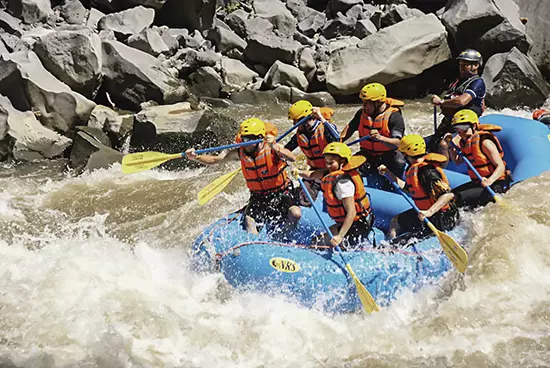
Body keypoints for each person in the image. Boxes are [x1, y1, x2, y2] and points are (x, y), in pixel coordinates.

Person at [186, 118, 301, 234]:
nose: (245, 143)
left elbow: (292, 157)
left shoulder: (272, 148)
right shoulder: (240, 153)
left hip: (280, 193)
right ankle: (255, 244)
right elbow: (215, 160)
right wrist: (196, 157)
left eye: (249, 139)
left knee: (295, 213)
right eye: (243, 138)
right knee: (249, 220)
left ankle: (284, 237)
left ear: (259, 137)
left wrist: (276, 147)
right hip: (259, 196)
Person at [378, 134, 459, 240]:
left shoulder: (427, 172)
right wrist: (388, 173)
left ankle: (395, 249)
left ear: (406, 154)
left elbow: (448, 195)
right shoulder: (414, 169)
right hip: (427, 214)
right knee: (395, 221)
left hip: (441, 217)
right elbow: (408, 189)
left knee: (399, 244)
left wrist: (429, 212)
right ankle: (390, 241)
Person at [296, 142, 374, 248]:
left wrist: (340, 236)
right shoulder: (332, 172)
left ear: (342, 161)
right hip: (350, 224)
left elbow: (351, 212)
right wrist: (298, 172)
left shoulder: (343, 183)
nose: (328, 166)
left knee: (315, 243)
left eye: (331, 163)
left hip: (357, 227)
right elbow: (312, 175)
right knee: (318, 238)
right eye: (326, 162)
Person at [443, 109, 512, 208]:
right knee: (449, 195)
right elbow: (457, 161)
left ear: (474, 126)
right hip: (479, 182)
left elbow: (500, 166)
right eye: (459, 131)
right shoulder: (465, 142)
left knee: (457, 198)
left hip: (495, 184)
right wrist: (450, 146)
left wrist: (490, 181)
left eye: (465, 130)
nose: (462, 134)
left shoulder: (485, 142)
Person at [340, 82, 406, 178]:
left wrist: (380, 138)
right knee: (348, 168)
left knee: (399, 162)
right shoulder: (362, 113)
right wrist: (339, 142)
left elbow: (398, 143)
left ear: (378, 102)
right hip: (367, 154)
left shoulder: (394, 116)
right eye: (363, 102)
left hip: (388, 155)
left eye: (367, 102)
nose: (364, 105)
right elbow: (349, 129)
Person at [430, 49, 486, 155]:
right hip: (451, 119)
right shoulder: (457, 81)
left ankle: (443, 170)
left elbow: (462, 101)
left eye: (465, 65)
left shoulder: (477, 82)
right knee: (433, 143)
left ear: (476, 66)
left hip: (464, 123)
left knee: (443, 145)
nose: (462, 68)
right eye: (461, 65)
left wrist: (441, 102)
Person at [284, 100, 340, 206]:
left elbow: (337, 139)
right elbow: (287, 149)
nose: (294, 124)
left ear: (305, 119)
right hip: (314, 172)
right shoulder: (301, 134)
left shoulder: (324, 128)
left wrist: (321, 117)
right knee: (301, 197)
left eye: (296, 121)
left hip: (333, 171)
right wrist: (277, 150)